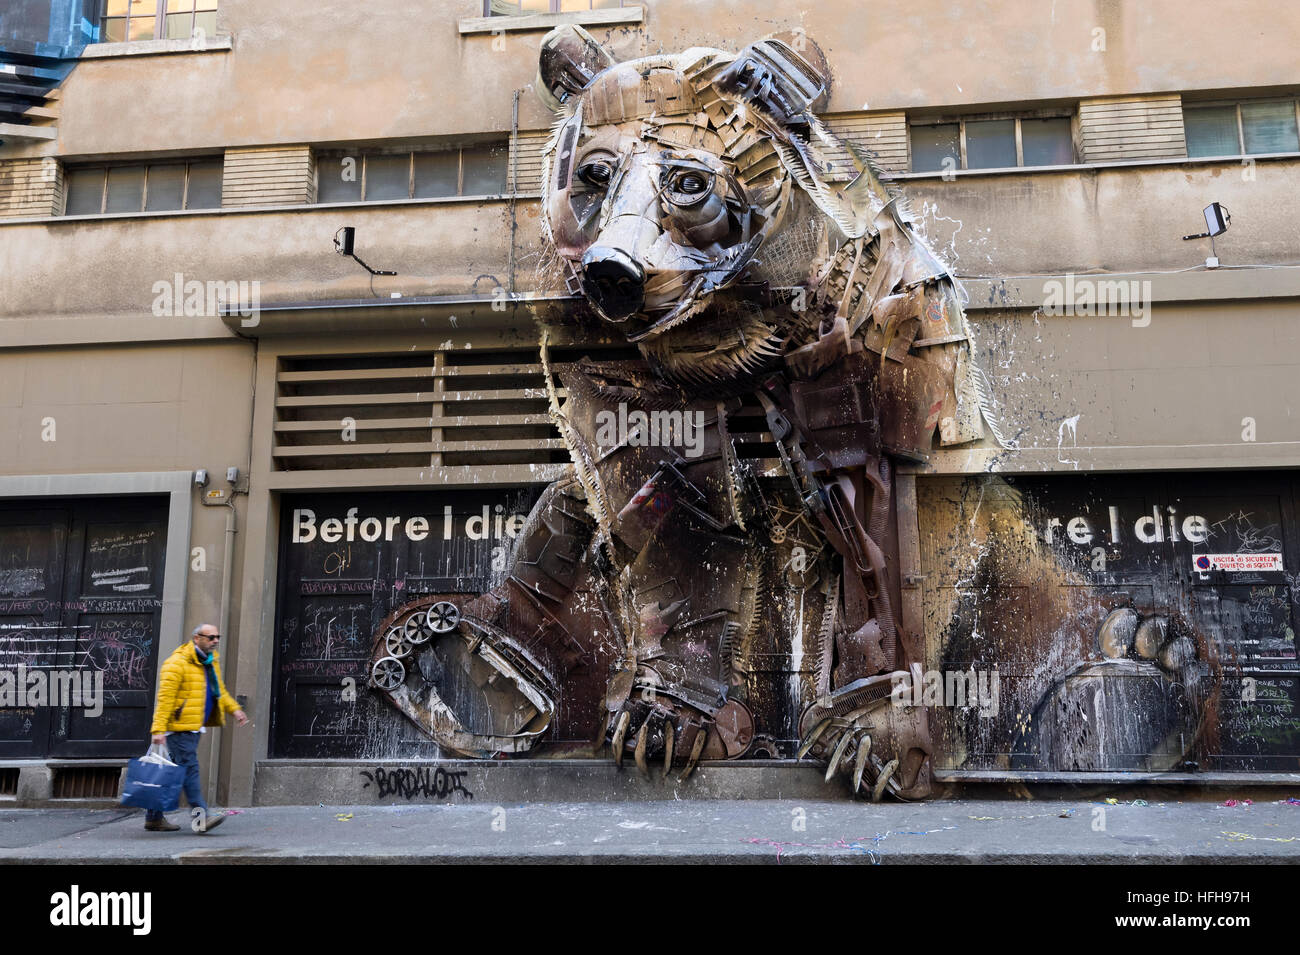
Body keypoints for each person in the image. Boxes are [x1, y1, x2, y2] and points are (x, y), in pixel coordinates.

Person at [144, 624, 248, 832]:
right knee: (189, 770)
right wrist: (158, 729)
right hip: (178, 729)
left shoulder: (209, 662)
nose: (215, 641)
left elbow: (219, 692)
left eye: (217, 637)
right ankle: (201, 817)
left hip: (194, 727)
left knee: (167, 773)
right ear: (196, 638)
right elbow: (165, 699)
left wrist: (235, 710)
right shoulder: (177, 663)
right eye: (210, 637)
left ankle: (154, 818)